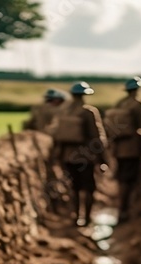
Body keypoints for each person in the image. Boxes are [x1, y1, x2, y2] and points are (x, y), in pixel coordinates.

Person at [51, 81, 107, 227]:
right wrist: (102, 158)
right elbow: (96, 137)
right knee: (88, 188)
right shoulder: (88, 112)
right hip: (85, 157)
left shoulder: (64, 111)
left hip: (67, 157)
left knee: (74, 187)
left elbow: (57, 137)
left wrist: (58, 157)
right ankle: (87, 219)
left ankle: (76, 216)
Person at [105, 76, 141, 224]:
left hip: (118, 148)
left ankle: (122, 208)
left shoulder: (120, 103)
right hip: (132, 149)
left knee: (122, 179)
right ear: (138, 89)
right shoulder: (139, 105)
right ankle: (124, 211)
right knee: (129, 180)